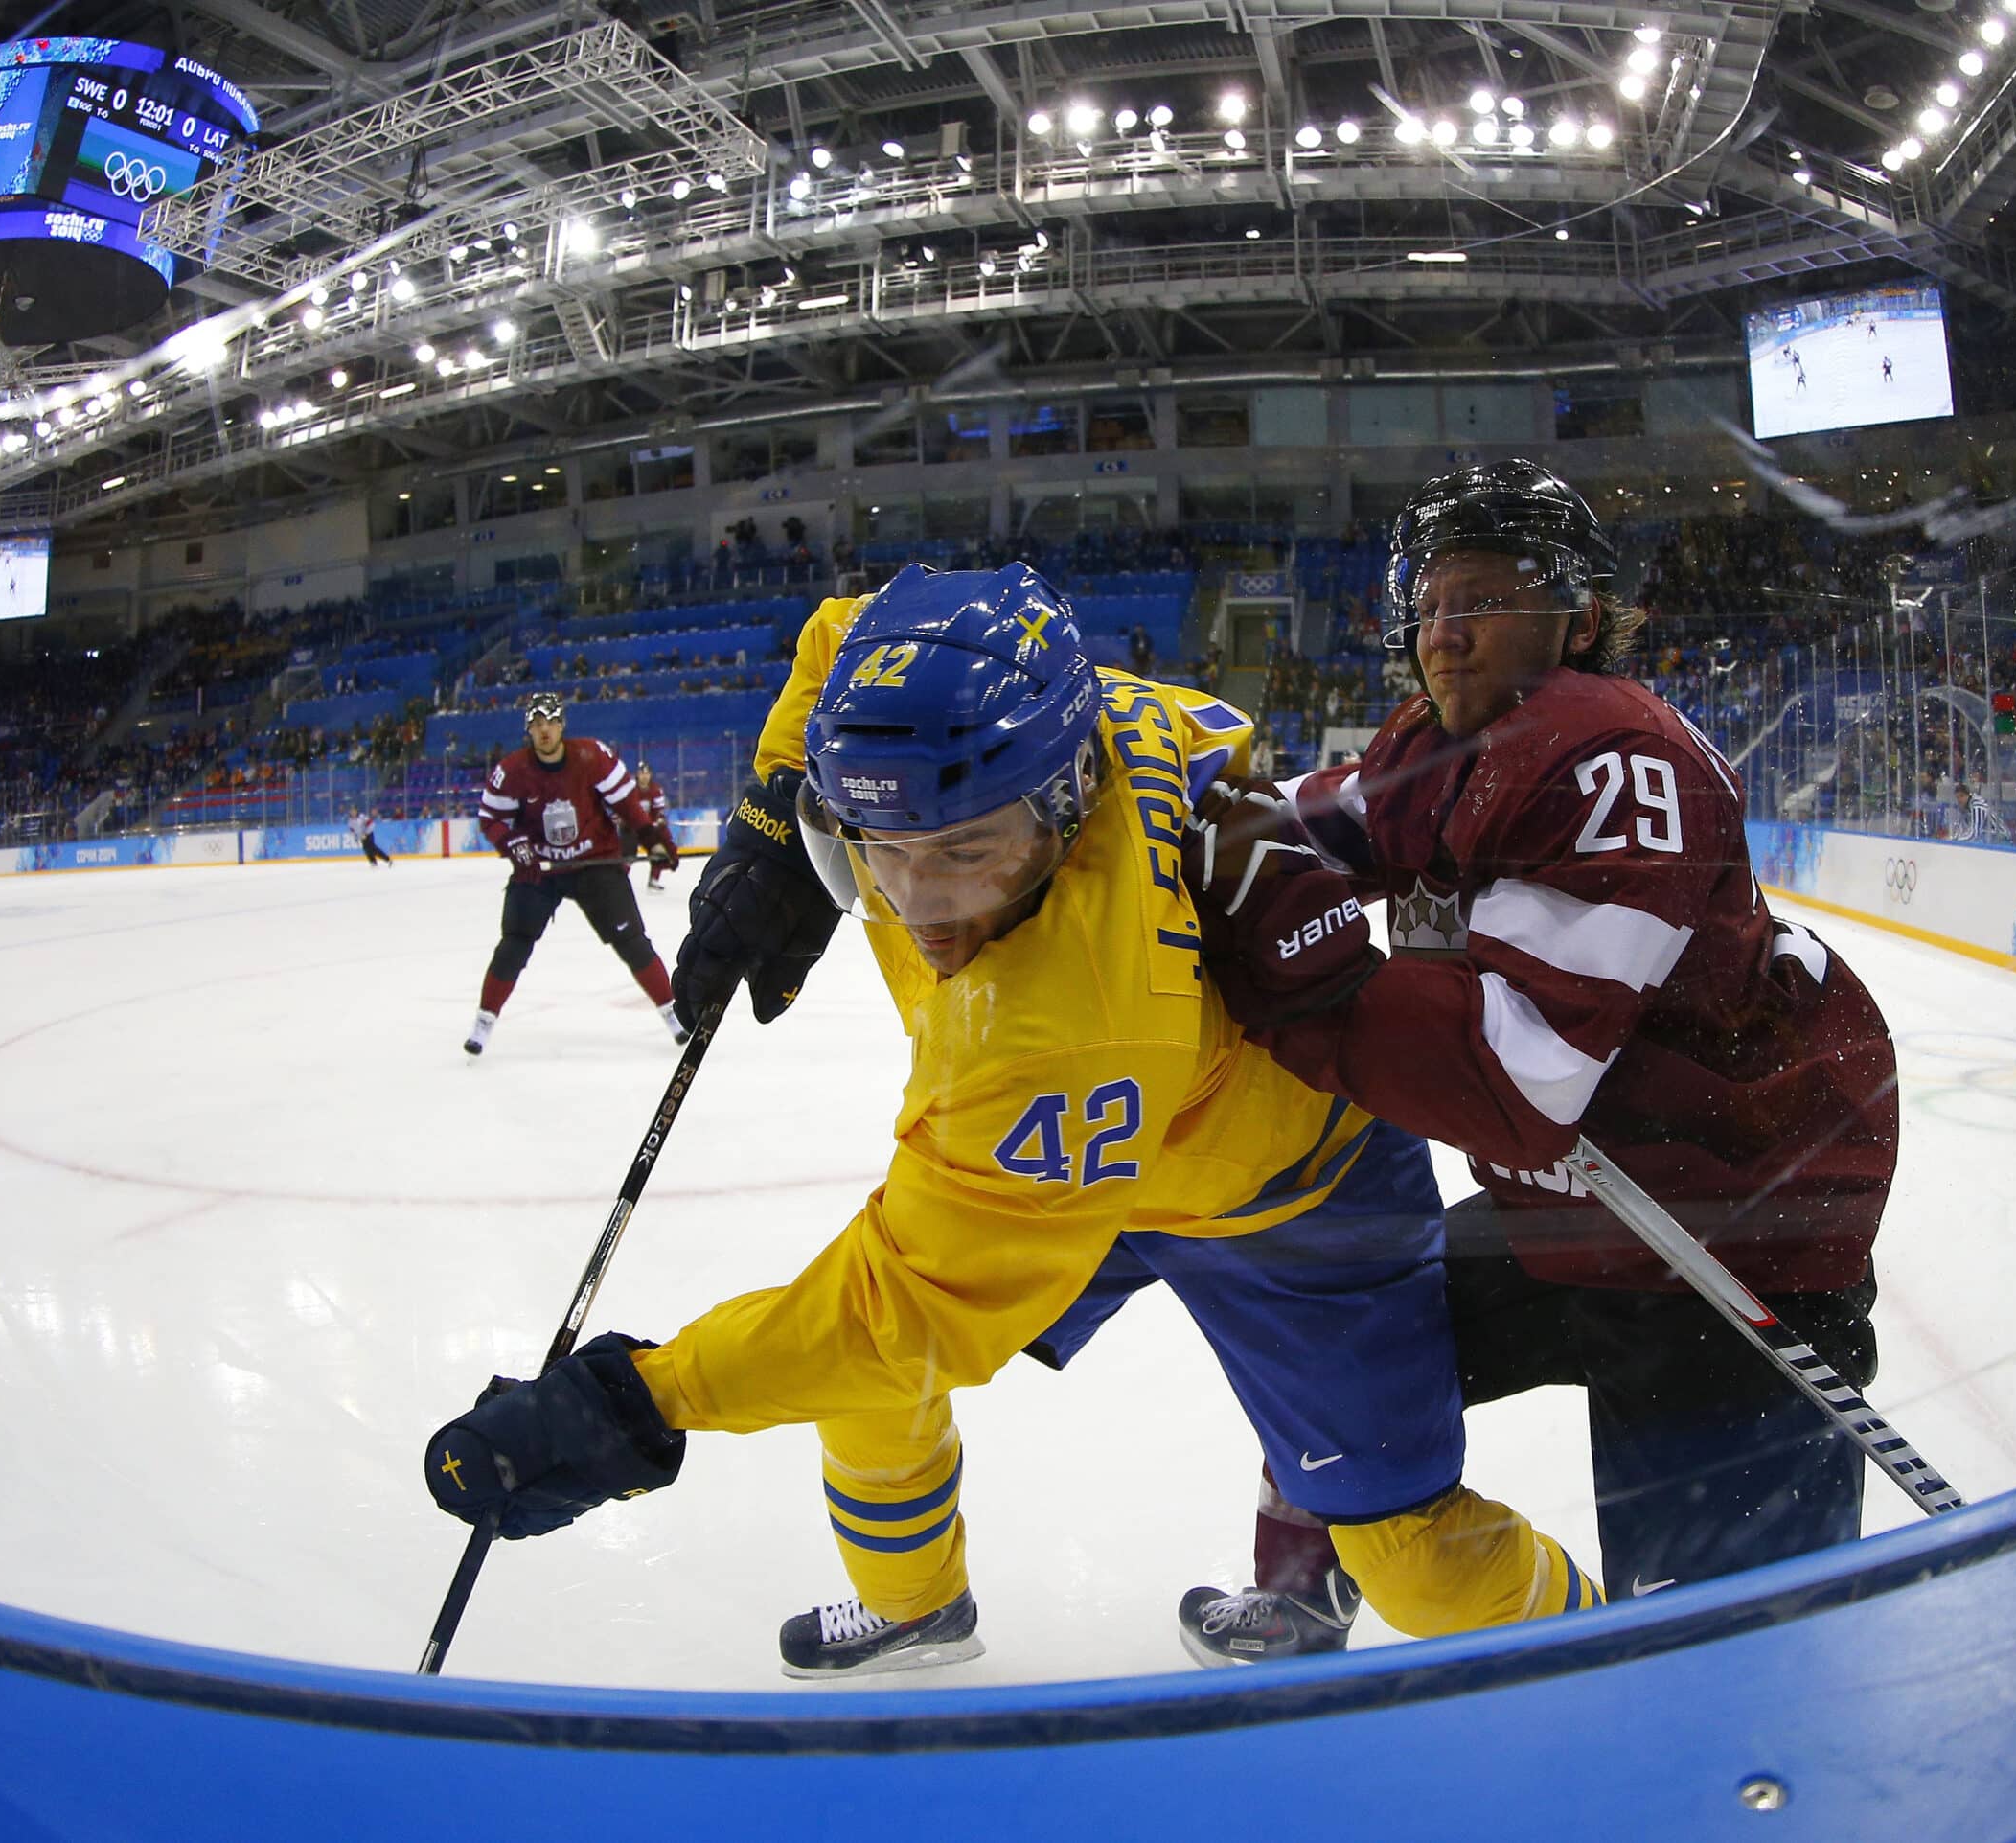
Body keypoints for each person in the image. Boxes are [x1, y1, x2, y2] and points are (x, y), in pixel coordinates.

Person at [424, 564, 1597, 1679]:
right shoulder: (1022, 709)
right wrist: (782, 822)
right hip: (1145, 1129)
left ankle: (1622, 1646)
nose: (928, 918)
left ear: (1062, 802)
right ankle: (912, 1600)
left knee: (1417, 1563)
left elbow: (900, 1313)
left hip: (1289, 1192)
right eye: (882, 856)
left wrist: (636, 1401)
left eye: (969, 858)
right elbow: (851, 628)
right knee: (861, 1385)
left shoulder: (1058, 1024)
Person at [1176, 460, 1898, 1638]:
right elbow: (1316, 822)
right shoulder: (1448, 739)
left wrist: (1291, 975)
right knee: (1333, 1337)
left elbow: (1514, 1083)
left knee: (1735, 1664)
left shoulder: (1613, 760)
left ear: (1576, 613)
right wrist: (1177, 809)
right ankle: (1303, 1591)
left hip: (1738, 1231)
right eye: (1430, 604)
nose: (1444, 635)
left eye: (1483, 600)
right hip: (1585, 1210)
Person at [465, 692, 685, 1055]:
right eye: (536, 725)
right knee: (514, 944)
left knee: (632, 941)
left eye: (550, 722)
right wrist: (514, 845)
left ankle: (673, 1013)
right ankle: (484, 1021)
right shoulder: (512, 771)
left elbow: (628, 805)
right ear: (529, 731)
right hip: (540, 869)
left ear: (562, 724)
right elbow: (491, 819)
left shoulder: (592, 757)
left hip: (594, 864)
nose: (544, 731)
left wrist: (653, 839)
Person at [632, 762, 681, 890]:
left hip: (649, 830)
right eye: (641, 773)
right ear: (637, 775)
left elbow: (658, 812)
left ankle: (654, 878)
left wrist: (659, 821)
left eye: (646, 773)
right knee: (626, 853)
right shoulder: (630, 790)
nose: (644, 776)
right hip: (631, 829)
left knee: (663, 850)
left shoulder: (656, 790)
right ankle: (619, 881)